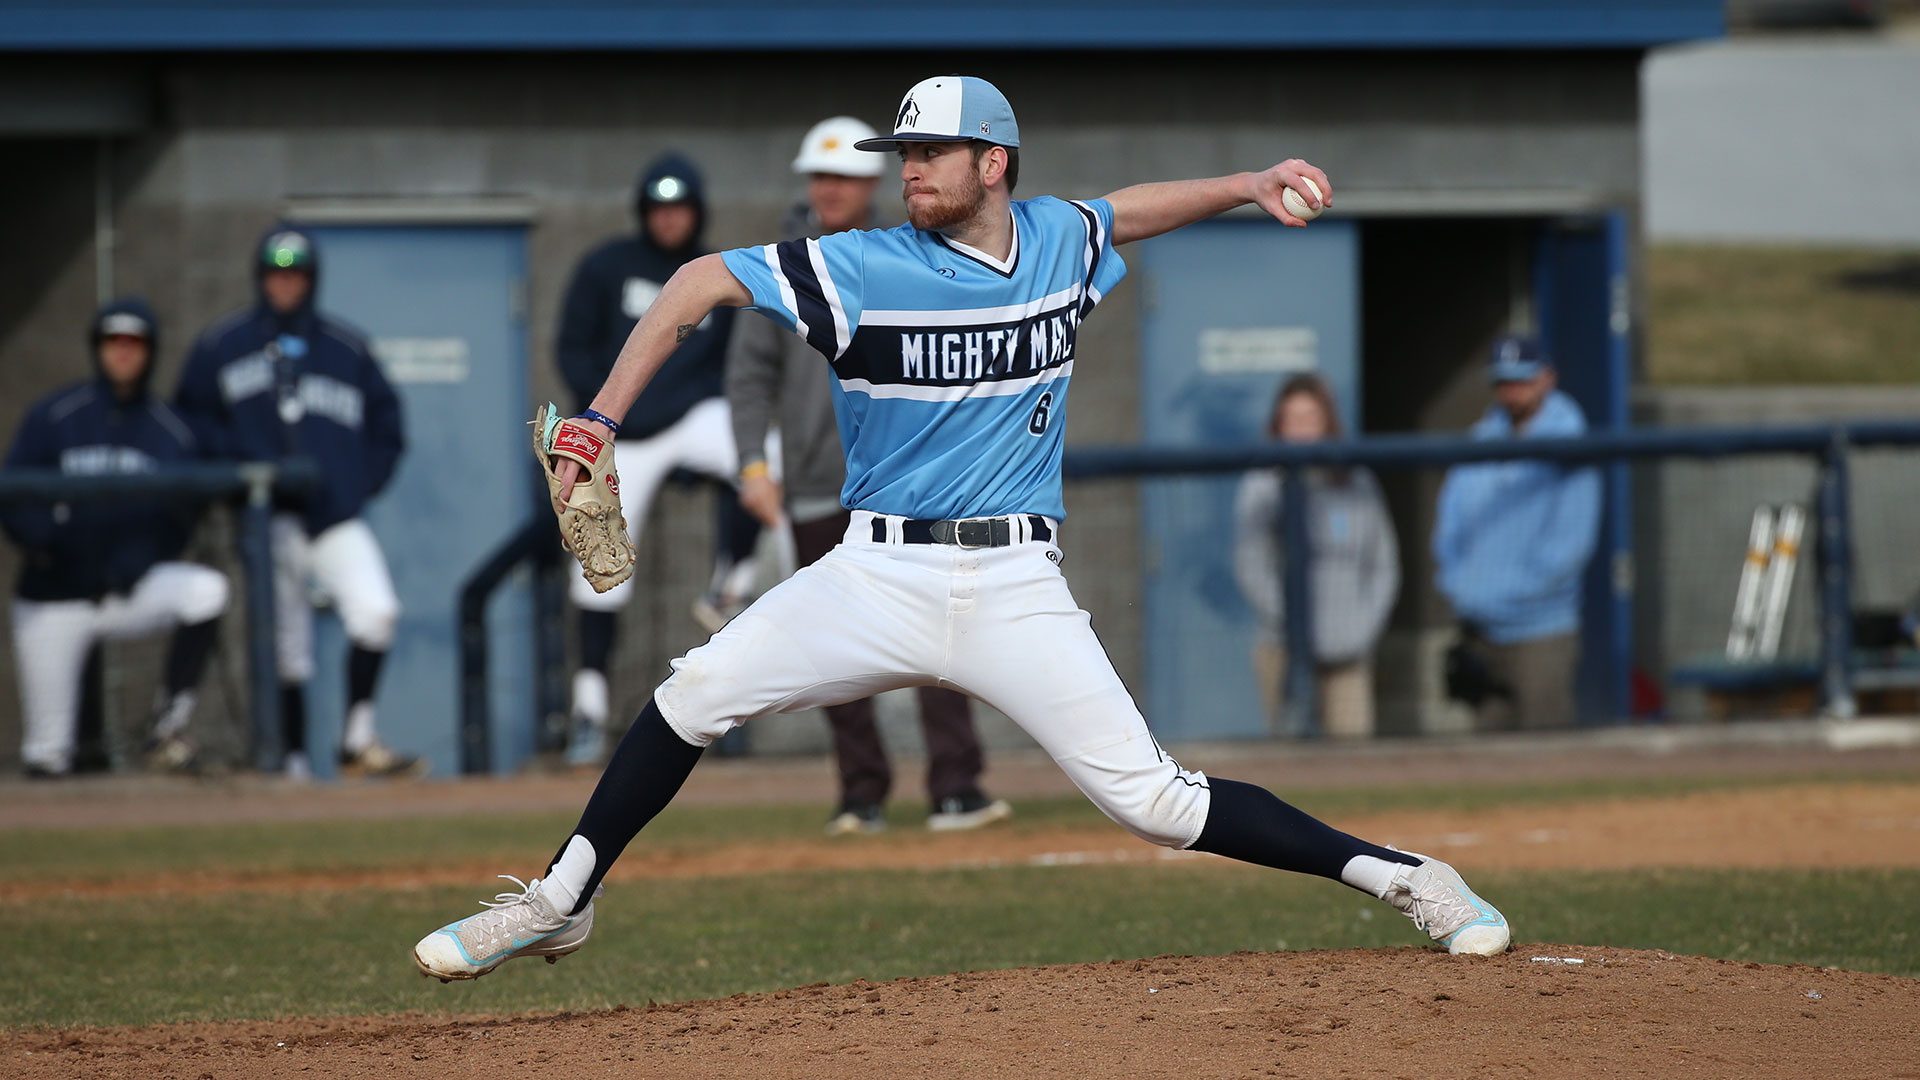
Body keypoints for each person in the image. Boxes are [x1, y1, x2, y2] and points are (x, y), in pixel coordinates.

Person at [413, 75, 1509, 982]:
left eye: (933, 151)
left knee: (1158, 803)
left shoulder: (1057, 244)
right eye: (905, 154)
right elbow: (699, 281)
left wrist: (1246, 182)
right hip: (873, 573)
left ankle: (1410, 876)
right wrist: (602, 415)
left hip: (1017, 582)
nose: (911, 170)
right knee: (692, 695)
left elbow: (1125, 209)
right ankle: (561, 898)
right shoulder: (856, 267)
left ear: (995, 162)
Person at [728, 115, 1012, 835]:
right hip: (820, 484)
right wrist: (753, 464)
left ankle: (957, 787)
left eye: (845, 177)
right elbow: (748, 377)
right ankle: (862, 793)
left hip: (904, 486)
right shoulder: (781, 260)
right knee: (834, 655)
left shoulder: (909, 250)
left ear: (871, 182)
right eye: (821, 176)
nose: (830, 189)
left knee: (943, 645)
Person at [176, 225, 420, 778]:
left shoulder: (346, 347)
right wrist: (238, 470)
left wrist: (360, 483)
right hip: (266, 522)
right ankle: (291, 759)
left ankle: (357, 740)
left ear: (311, 279)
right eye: (276, 273)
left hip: (333, 515)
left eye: (296, 274)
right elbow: (189, 420)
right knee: (289, 648)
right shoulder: (224, 344)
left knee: (377, 612)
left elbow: (388, 425)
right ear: (261, 277)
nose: (285, 284)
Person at [555, 153, 763, 766]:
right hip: (622, 432)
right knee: (595, 561)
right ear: (644, 211)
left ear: (696, 213)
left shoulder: (713, 270)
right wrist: (601, 414)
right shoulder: (606, 267)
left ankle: (732, 581)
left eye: (681, 207)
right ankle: (588, 707)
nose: (670, 219)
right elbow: (572, 349)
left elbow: (733, 362)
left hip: (692, 418)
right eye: (660, 208)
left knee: (759, 454)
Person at [2, 298, 228, 777]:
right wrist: (48, 546)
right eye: (114, 343)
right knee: (47, 755)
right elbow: (13, 496)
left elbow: (183, 515)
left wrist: (141, 556)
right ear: (97, 348)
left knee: (207, 592)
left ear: (150, 351)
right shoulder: (56, 415)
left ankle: (167, 728)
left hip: (126, 590)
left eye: (134, 344)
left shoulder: (171, 430)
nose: (123, 354)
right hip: (55, 595)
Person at [1433, 335, 1602, 731]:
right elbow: (1449, 527)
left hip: (1540, 632)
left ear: (1547, 379)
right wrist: (1461, 588)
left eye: (1522, 380)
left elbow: (1571, 545)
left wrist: (1499, 596)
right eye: (1503, 381)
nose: (1511, 391)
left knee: (1546, 761)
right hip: (1478, 630)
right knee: (1485, 763)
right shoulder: (1481, 437)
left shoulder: (1570, 440)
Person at [1232, 374, 1398, 739]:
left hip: (1348, 649)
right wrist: (1295, 623)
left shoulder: (1357, 480)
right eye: (1292, 420)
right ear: (1278, 425)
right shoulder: (1261, 483)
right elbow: (1251, 566)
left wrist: (1362, 627)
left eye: (1311, 419)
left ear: (1327, 422)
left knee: (1352, 759)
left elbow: (1383, 565)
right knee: (1292, 764)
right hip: (1284, 647)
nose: (1302, 430)